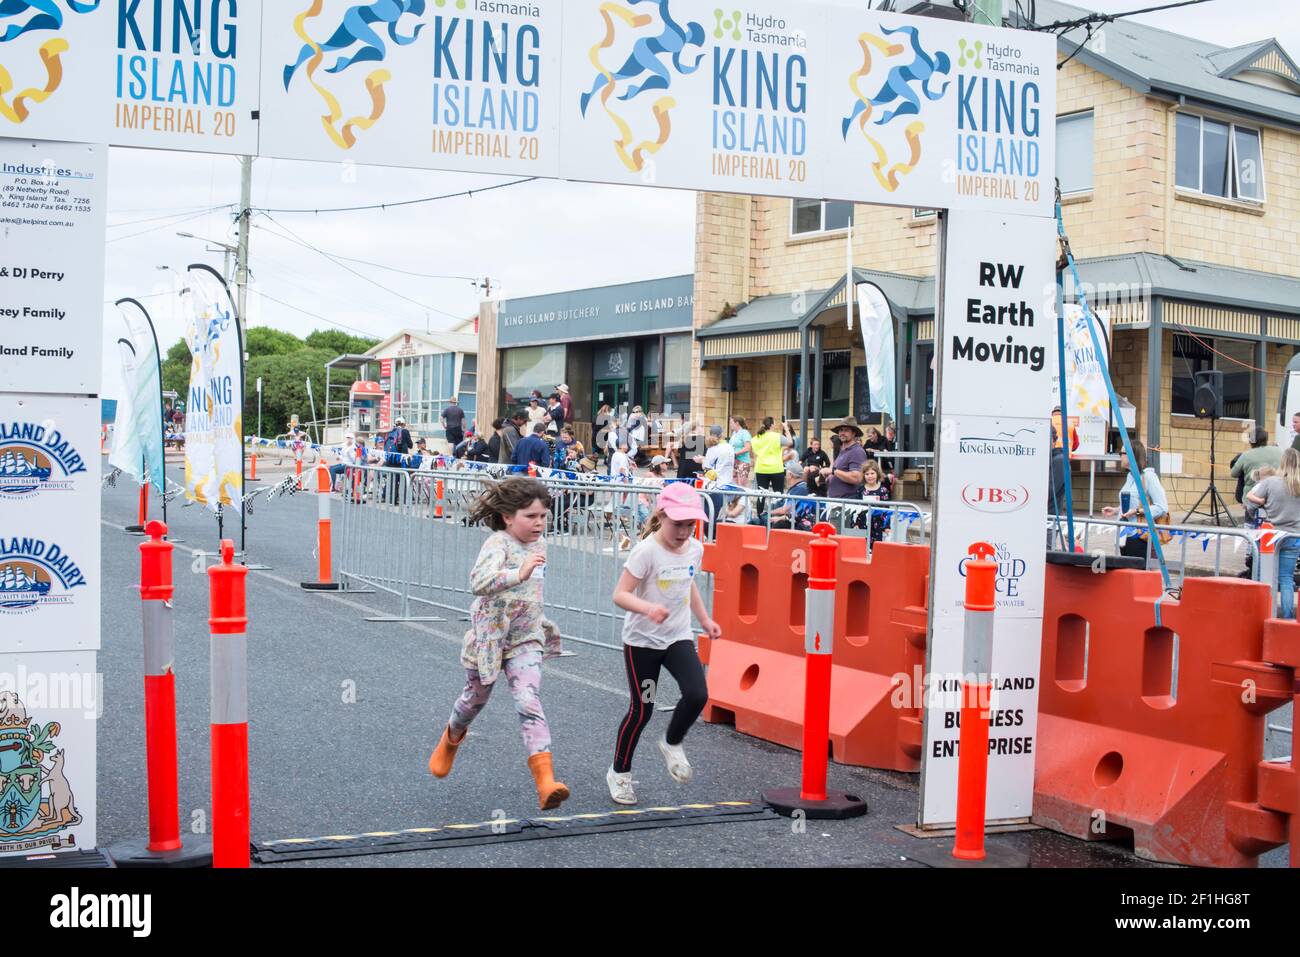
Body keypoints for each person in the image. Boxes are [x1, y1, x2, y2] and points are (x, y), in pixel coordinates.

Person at [427, 478, 568, 809]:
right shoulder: (498, 544)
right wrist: (517, 573)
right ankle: (451, 737)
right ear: (507, 516)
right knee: (474, 700)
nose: (539, 523)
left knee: (527, 698)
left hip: (525, 638)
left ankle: (545, 780)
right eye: (530, 516)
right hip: (490, 639)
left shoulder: (540, 544)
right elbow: (478, 582)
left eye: (543, 516)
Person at [608, 483, 721, 804]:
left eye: (690, 524)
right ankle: (620, 774)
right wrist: (647, 608)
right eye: (678, 524)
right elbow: (620, 594)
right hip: (642, 643)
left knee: (698, 693)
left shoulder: (695, 549)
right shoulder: (646, 551)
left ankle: (672, 743)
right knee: (643, 710)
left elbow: (690, 585)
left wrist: (705, 620)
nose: (684, 532)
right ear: (661, 516)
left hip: (676, 638)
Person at [1248, 448, 1300, 618]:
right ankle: (1287, 618)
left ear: (1282, 462)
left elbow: (1251, 504)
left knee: (1264, 576)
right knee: (1286, 579)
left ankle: (1260, 614)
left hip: (1270, 537)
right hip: (1293, 537)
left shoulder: (1270, 482)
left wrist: (1262, 503)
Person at [1102, 440, 1169, 559]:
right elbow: (1133, 501)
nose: (1120, 457)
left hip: (1141, 536)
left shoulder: (1148, 477)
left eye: (1121, 453)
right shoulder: (1130, 476)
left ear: (1132, 455)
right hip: (1125, 535)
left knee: (1144, 573)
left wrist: (1137, 511)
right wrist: (1117, 510)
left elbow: (1162, 507)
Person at [1232, 428, 1282, 504]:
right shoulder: (1279, 451)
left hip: (1253, 497)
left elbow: (1234, 473)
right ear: (1266, 439)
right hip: (1276, 495)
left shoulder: (1246, 455)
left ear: (1250, 441)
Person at [751, 417, 785, 517]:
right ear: (772, 425)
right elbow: (790, 442)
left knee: (761, 496)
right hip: (776, 468)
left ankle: (760, 517)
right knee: (778, 495)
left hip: (761, 469)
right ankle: (777, 517)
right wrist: (786, 429)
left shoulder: (756, 438)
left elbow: (752, 452)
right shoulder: (777, 436)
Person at [828, 417, 867, 500]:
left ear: (854, 433)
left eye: (846, 430)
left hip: (847, 502)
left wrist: (833, 471)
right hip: (836, 501)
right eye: (841, 430)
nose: (842, 433)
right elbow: (839, 473)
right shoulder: (843, 450)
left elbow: (857, 478)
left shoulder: (857, 451)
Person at [860, 462, 892, 543]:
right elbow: (857, 508)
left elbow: (886, 510)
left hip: (878, 526)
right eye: (867, 474)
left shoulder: (883, 491)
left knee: (875, 549)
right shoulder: (860, 490)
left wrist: (887, 526)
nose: (870, 476)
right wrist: (856, 523)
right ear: (863, 475)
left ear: (877, 474)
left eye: (872, 473)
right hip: (863, 525)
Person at [729, 416, 753, 487]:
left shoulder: (745, 433)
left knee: (741, 486)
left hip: (743, 463)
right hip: (734, 462)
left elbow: (748, 448)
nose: (730, 425)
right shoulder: (734, 434)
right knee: (734, 486)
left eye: (731, 423)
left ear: (737, 423)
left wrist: (736, 453)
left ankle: (743, 498)